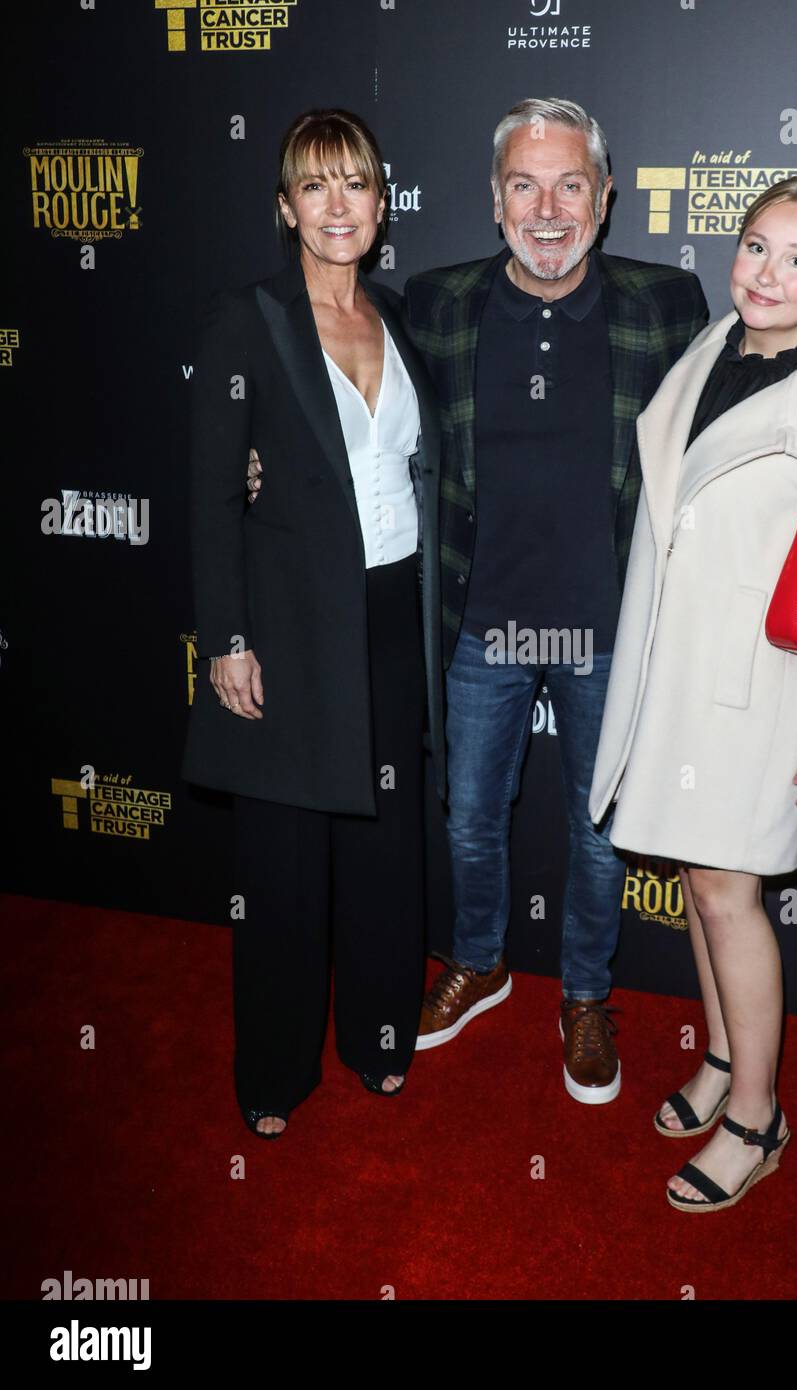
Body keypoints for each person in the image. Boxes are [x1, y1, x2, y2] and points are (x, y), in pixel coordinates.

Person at [589, 175, 797, 1204]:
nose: (767, 274)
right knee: (699, 877)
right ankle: (727, 1056)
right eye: (755, 247)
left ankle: (757, 1117)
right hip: (682, 674)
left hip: (762, 691)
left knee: (731, 896)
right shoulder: (714, 348)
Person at [402, 98, 709, 1104]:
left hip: (608, 627)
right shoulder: (436, 304)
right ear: (495, 202)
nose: (548, 209)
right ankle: (482, 960)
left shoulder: (666, 306)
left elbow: (719, 454)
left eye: (570, 184)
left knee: (596, 830)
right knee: (469, 819)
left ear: (606, 197)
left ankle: (584, 992)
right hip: (477, 620)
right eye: (525, 186)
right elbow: (365, 429)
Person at [182, 109, 445, 1138]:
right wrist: (227, 637)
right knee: (282, 867)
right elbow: (212, 493)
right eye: (317, 185)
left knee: (385, 848)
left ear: (382, 205)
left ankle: (381, 1037)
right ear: (287, 205)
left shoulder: (400, 317)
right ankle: (273, 1074)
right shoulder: (247, 321)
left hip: (393, 614)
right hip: (290, 628)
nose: (340, 206)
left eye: (359, 185)